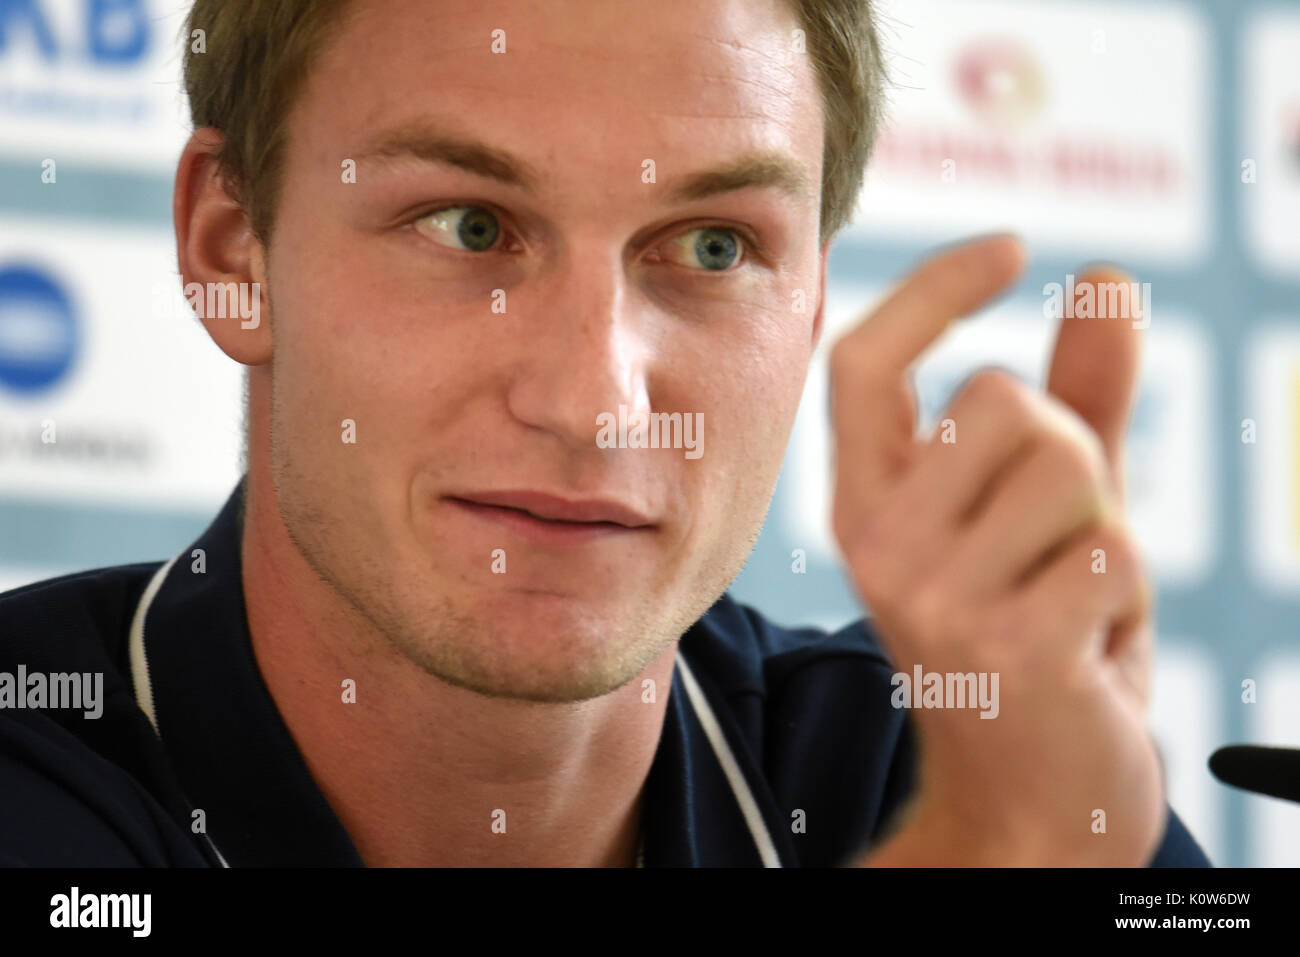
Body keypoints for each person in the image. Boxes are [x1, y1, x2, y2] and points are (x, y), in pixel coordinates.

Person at [0, 0, 1209, 867]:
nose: (593, 403)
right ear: (232, 252)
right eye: (470, 226)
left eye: (713, 247)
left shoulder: (916, 757)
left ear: (814, 303)